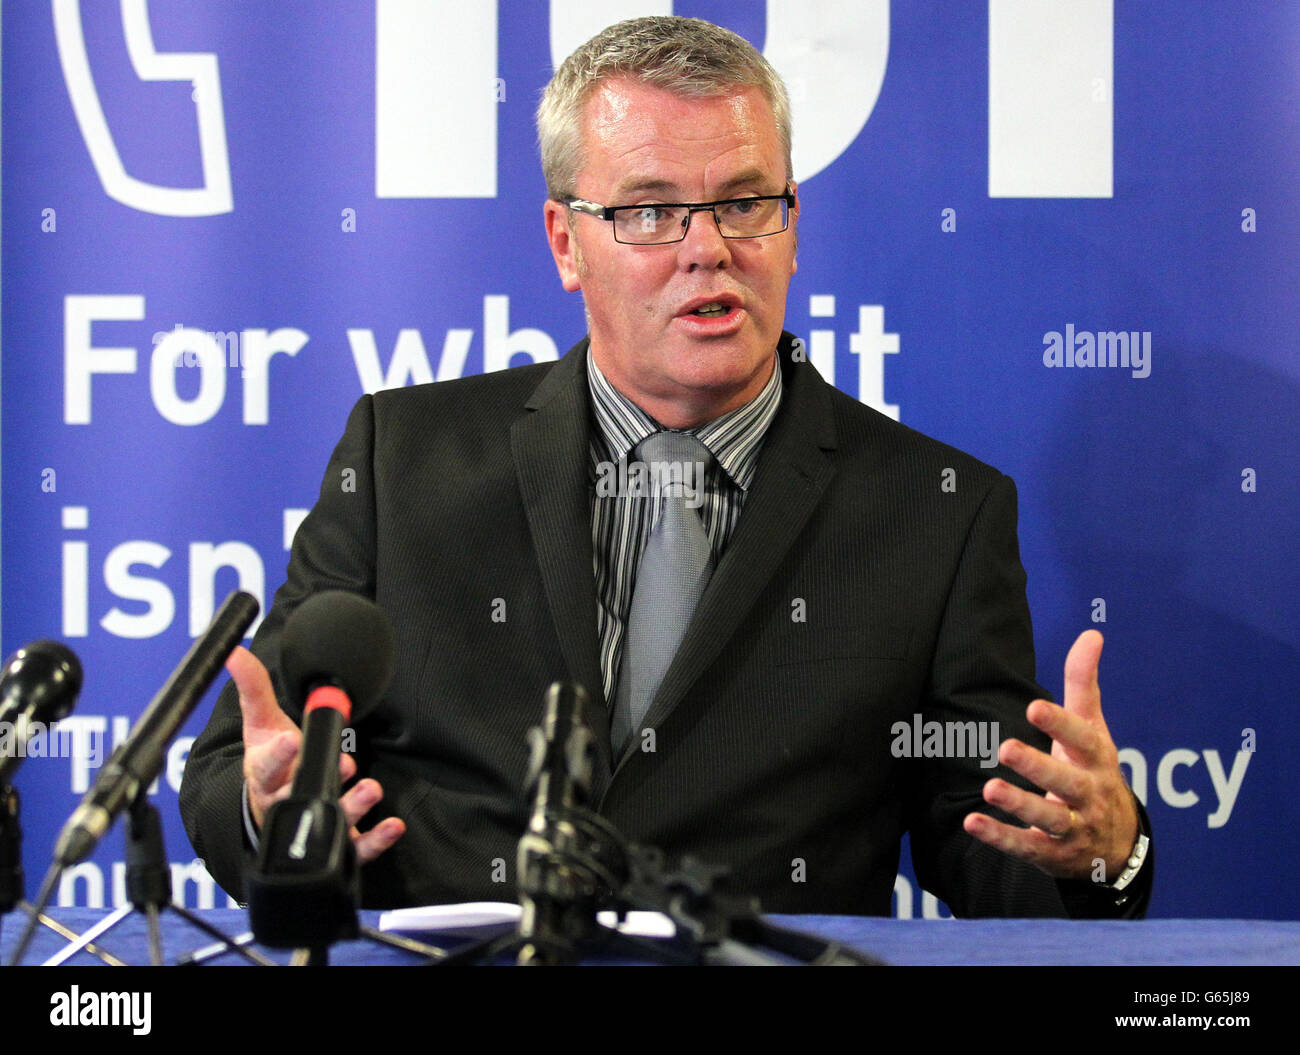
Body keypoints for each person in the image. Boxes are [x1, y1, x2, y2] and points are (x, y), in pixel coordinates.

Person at [181, 16, 1150, 917]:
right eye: (649, 211)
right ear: (567, 242)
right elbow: (241, 764)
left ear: (792, 221)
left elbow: (986, 841)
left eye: (744, 203)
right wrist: (274, 809)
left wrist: (1103, 851)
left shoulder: (936, 512)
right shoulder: (402, 461)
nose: (708, 249)